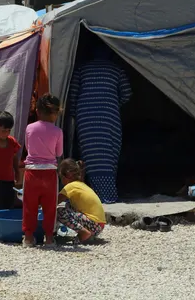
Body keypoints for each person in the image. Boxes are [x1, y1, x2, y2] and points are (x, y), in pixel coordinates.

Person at [68, 40, 132, 204]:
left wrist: (75, 113)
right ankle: (108, 193)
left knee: (90, 154)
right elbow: (127, 94)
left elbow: (73, 95)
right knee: (109, 154)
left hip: (85, 116)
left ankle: (92, 194)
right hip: (109, 115)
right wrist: (111, 103)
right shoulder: (116, 70)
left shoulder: (82, 69)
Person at [22, 93, 63, 247]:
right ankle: (49, 239)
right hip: (49, 173)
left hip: (31, 172)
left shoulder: (29, 128)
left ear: (37, 111)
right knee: (50, 207)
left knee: (29, 206)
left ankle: (28, 238)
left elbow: (28, 147)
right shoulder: (58, 131)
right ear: (56, 113)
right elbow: (59, 153)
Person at [57, 158, 106, 242]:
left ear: (67, 175)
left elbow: (54, 201)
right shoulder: (81, 185)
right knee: (68, 205)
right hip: (99, 225)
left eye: (61, 177)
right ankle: (88, 234)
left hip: (94, 224)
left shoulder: (71, 186)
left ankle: (84, 233)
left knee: (59, 212)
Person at [0, 111, 21, 211]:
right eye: (3, 131)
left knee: (9, 206)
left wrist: (17, 171)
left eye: (9, 130)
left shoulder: (12, 141)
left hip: (9, 180)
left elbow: (14, 157)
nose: (6, 133)